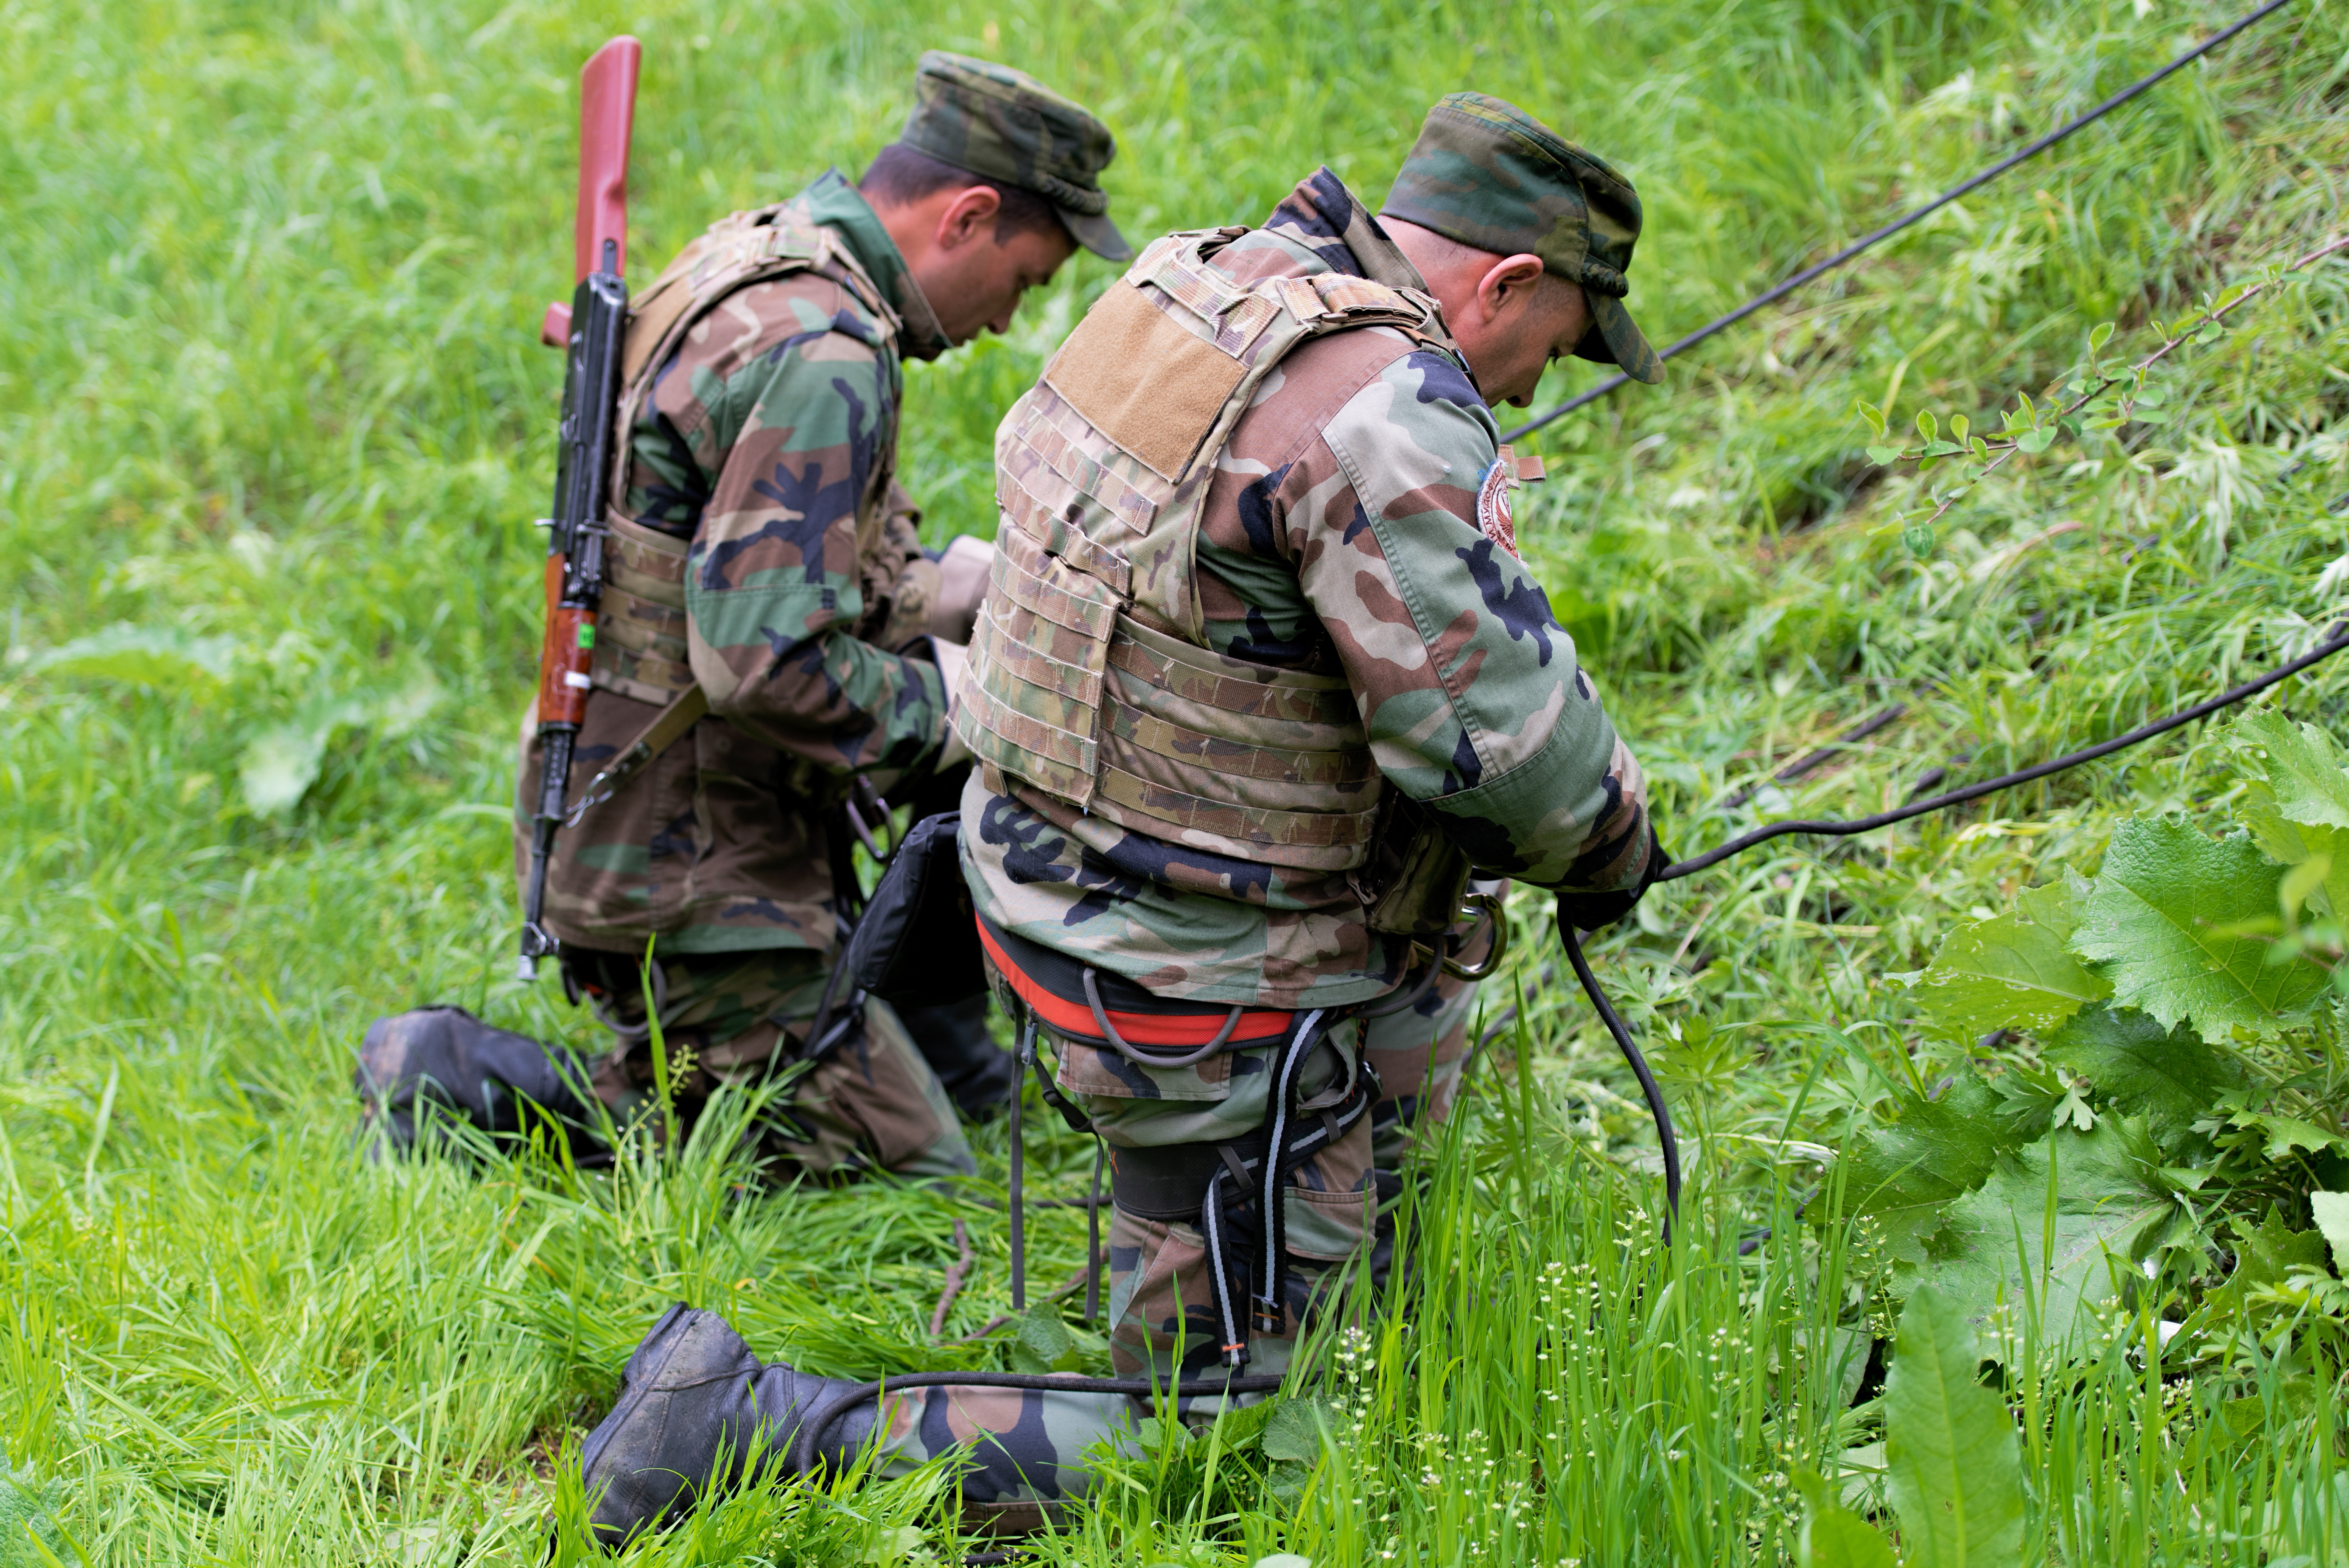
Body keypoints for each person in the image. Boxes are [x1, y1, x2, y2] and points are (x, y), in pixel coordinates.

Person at [568, 92, 1670, 1540]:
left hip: (1061, 895)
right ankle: (759, 1426)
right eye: (1560, 344)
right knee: (1236, 1445)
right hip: (1201, 970)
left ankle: (1245, 1277)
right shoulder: (1376, 402)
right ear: (1508, 283)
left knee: (1349, 1209)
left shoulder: (1199, 287)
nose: (1532, 388)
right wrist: (1614, 850)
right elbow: (1501, 753)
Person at [354, 53, 1133, 1182]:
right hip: (692, 871)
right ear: (966, 217)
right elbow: (770, 663)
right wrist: (984, 709)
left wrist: (979, 596)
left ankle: (926, 1053)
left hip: (638, 805)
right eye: (1024, 280)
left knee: (960, 696)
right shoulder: (826, 349)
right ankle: (459, 1077)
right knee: (898, 1182)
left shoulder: (762, 260)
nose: (1009, 320)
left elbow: (751, 563)